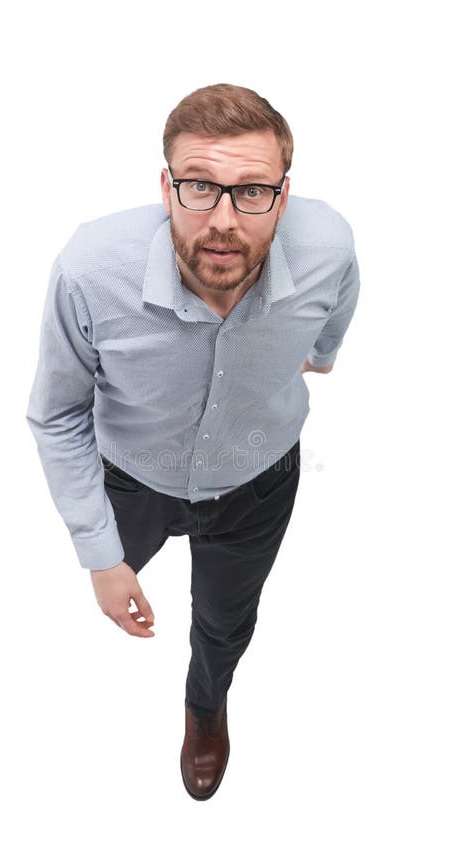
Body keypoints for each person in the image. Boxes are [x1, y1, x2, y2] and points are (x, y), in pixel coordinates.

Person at [25, 83, 360, 801]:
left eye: (253, 191)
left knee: (225, 620)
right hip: (129, 479)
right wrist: (101, 555)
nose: (223, 221)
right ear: (165, 187)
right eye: (199, 187)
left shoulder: (329, 245)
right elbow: (57, 414)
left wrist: (321, 356)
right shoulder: (90, 269)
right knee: (104, 580)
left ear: (284, 196)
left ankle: (206, 708)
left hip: (257, 483)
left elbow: (334, 318)